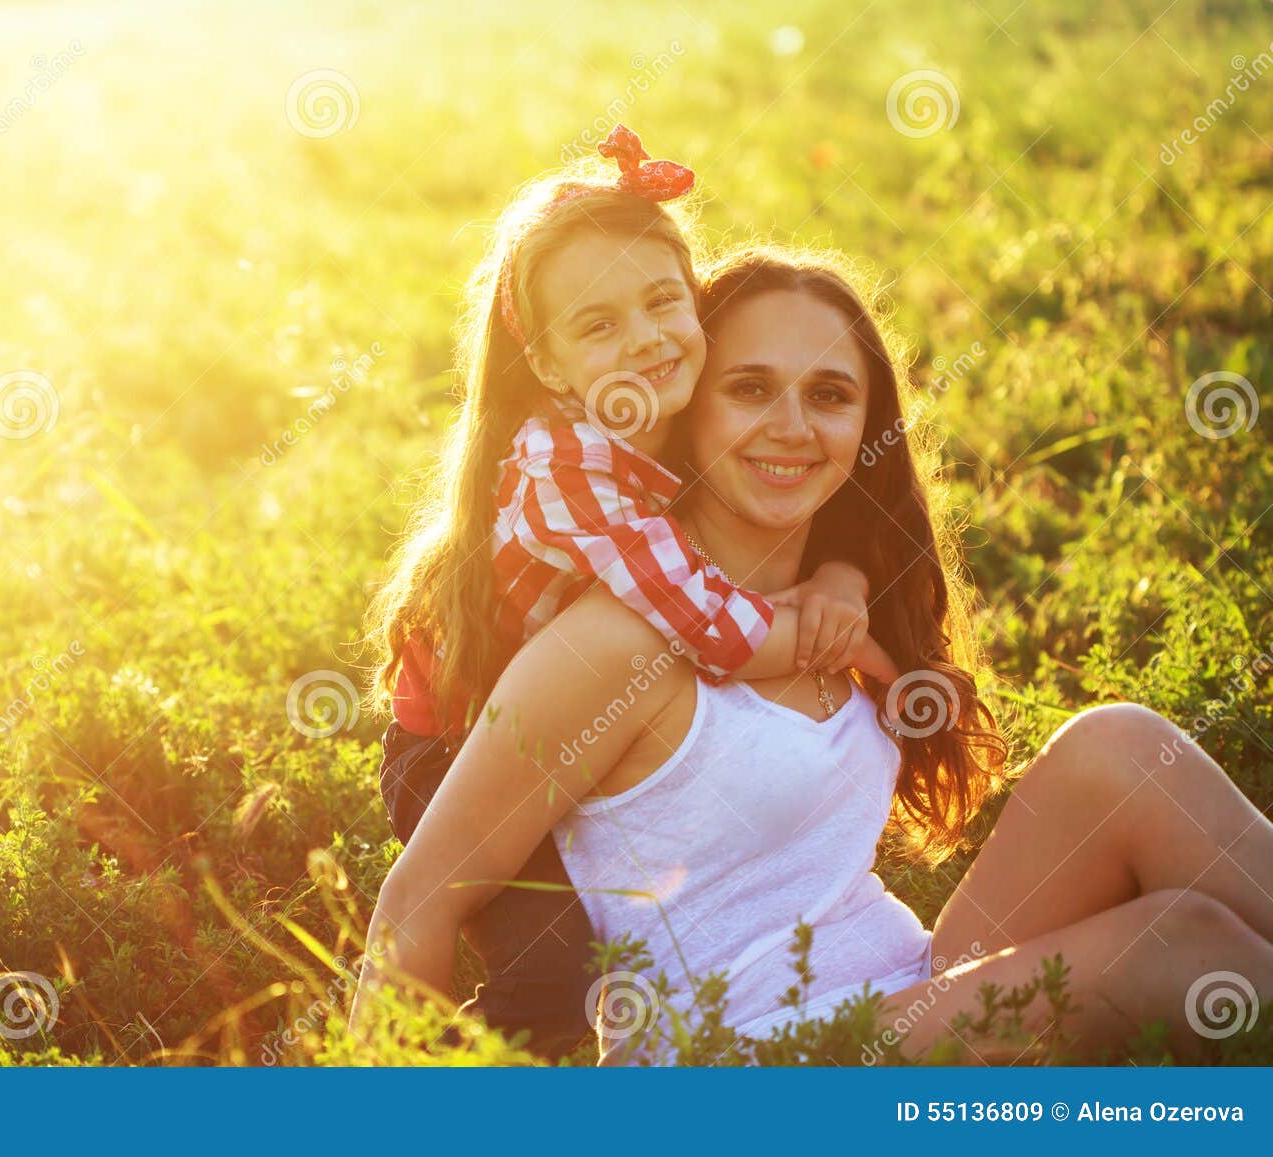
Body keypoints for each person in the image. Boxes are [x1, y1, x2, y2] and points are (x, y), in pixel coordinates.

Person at [351, 244, 1273, 1064]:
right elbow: (416, 904)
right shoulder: (615, 643)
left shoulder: (830, 610)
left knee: (1119, 745)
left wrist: (839, 580)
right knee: (1189, 945)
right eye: (750, 388)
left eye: (829, 395)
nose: (792, 425)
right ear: (687, 406)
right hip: (743, 1057)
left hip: (900, 985)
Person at [362, 128, 890, 1056]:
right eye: (599, 325)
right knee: (547, 963)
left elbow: (761, 542)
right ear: (553, 369)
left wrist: (841, 574)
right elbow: (708, 624)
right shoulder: (573, 470)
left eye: (662, 302)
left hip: (560, 707)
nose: (646, 339)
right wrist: (825, 628)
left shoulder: (663, 418)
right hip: (451, 737)